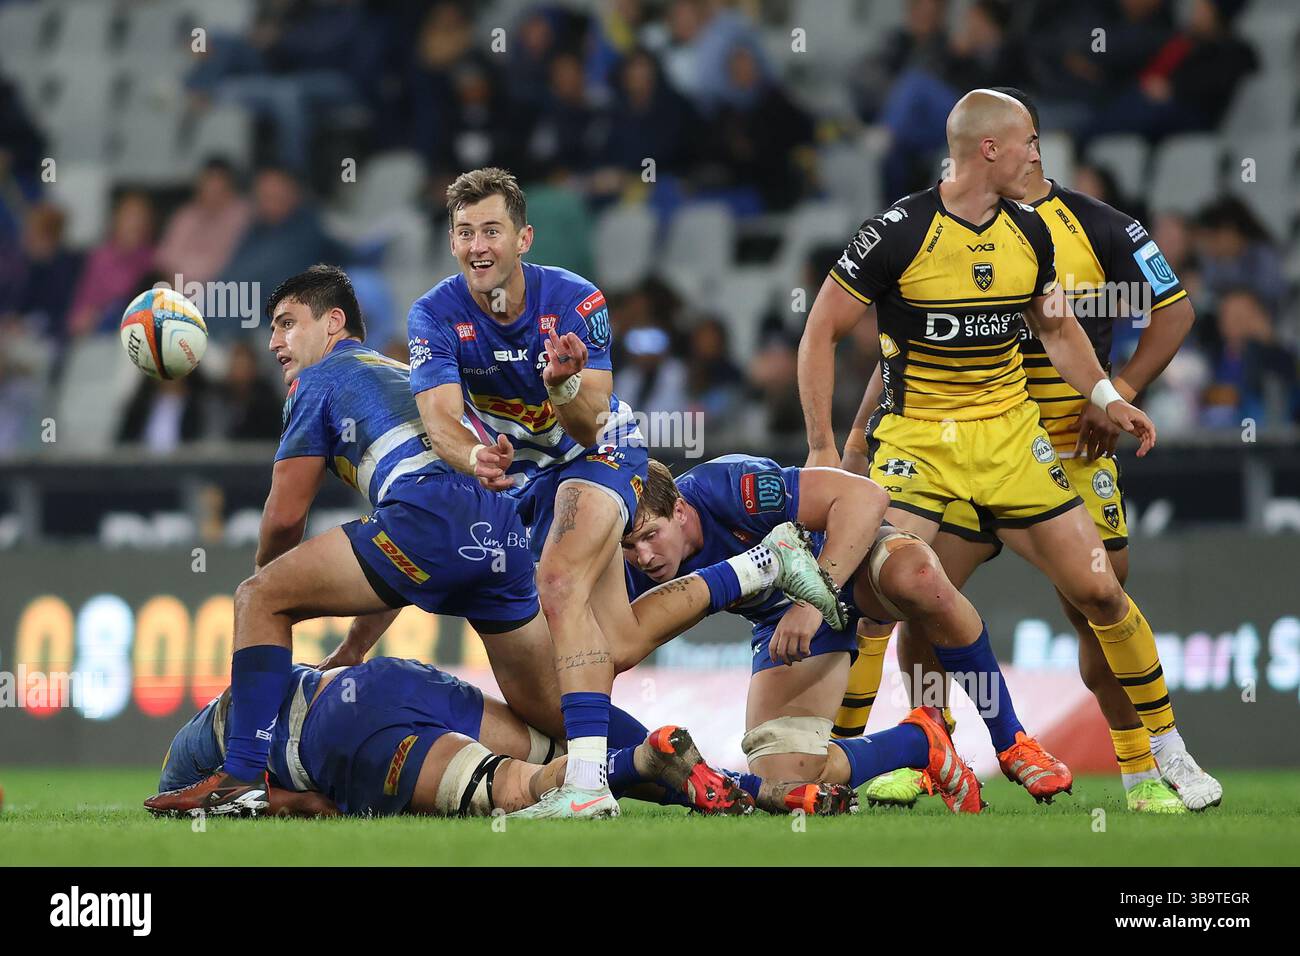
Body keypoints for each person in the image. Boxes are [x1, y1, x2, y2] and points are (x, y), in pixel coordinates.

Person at [839, 88, 1220, 814]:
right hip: (957, 446)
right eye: (1029, 139)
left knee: (1097, 601)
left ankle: (1142, 768)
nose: (1038, 151)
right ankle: (931, 750)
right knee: (921, 603)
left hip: (1065, 450)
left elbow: (1172, 310)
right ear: (995, 147)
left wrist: (1119, 392)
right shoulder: (934, 230)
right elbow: (907, 347)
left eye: (1039, 139)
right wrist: (860, 432)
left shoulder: (1095, 225)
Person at [404, 167, 655, 818]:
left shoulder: (578, 301)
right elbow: (439, 418)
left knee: (560, 581)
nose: (478, 245)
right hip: (523, 478)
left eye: (492, 230)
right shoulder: (433, 314)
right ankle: (755, 570)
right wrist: (474, 455)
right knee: (618, 642)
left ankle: (587, 789)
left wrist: (564, 386)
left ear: (524, 239)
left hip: (597, 451)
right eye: (464, 232)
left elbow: (592, 421)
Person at [617, 455, 1069, 813]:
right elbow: (619, 644)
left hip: (847, 569)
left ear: (679, 510)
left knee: (921, 578)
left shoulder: (731, 487)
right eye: (630, 546)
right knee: (787, 778)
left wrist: (814, 598)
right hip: (785, 625)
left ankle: (1012, 741)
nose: (643, 555)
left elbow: (866, 498)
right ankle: (922, 741)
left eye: (651, 535)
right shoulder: (636, 570)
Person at [147, 656, 748, 819]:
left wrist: (305, 803)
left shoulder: (190, 768)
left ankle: (648, 755)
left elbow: (256, 797)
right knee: (557, 747)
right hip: (390, 678)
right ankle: (747, 791)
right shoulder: (246, 693)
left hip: (347, 734)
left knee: (516, 788)